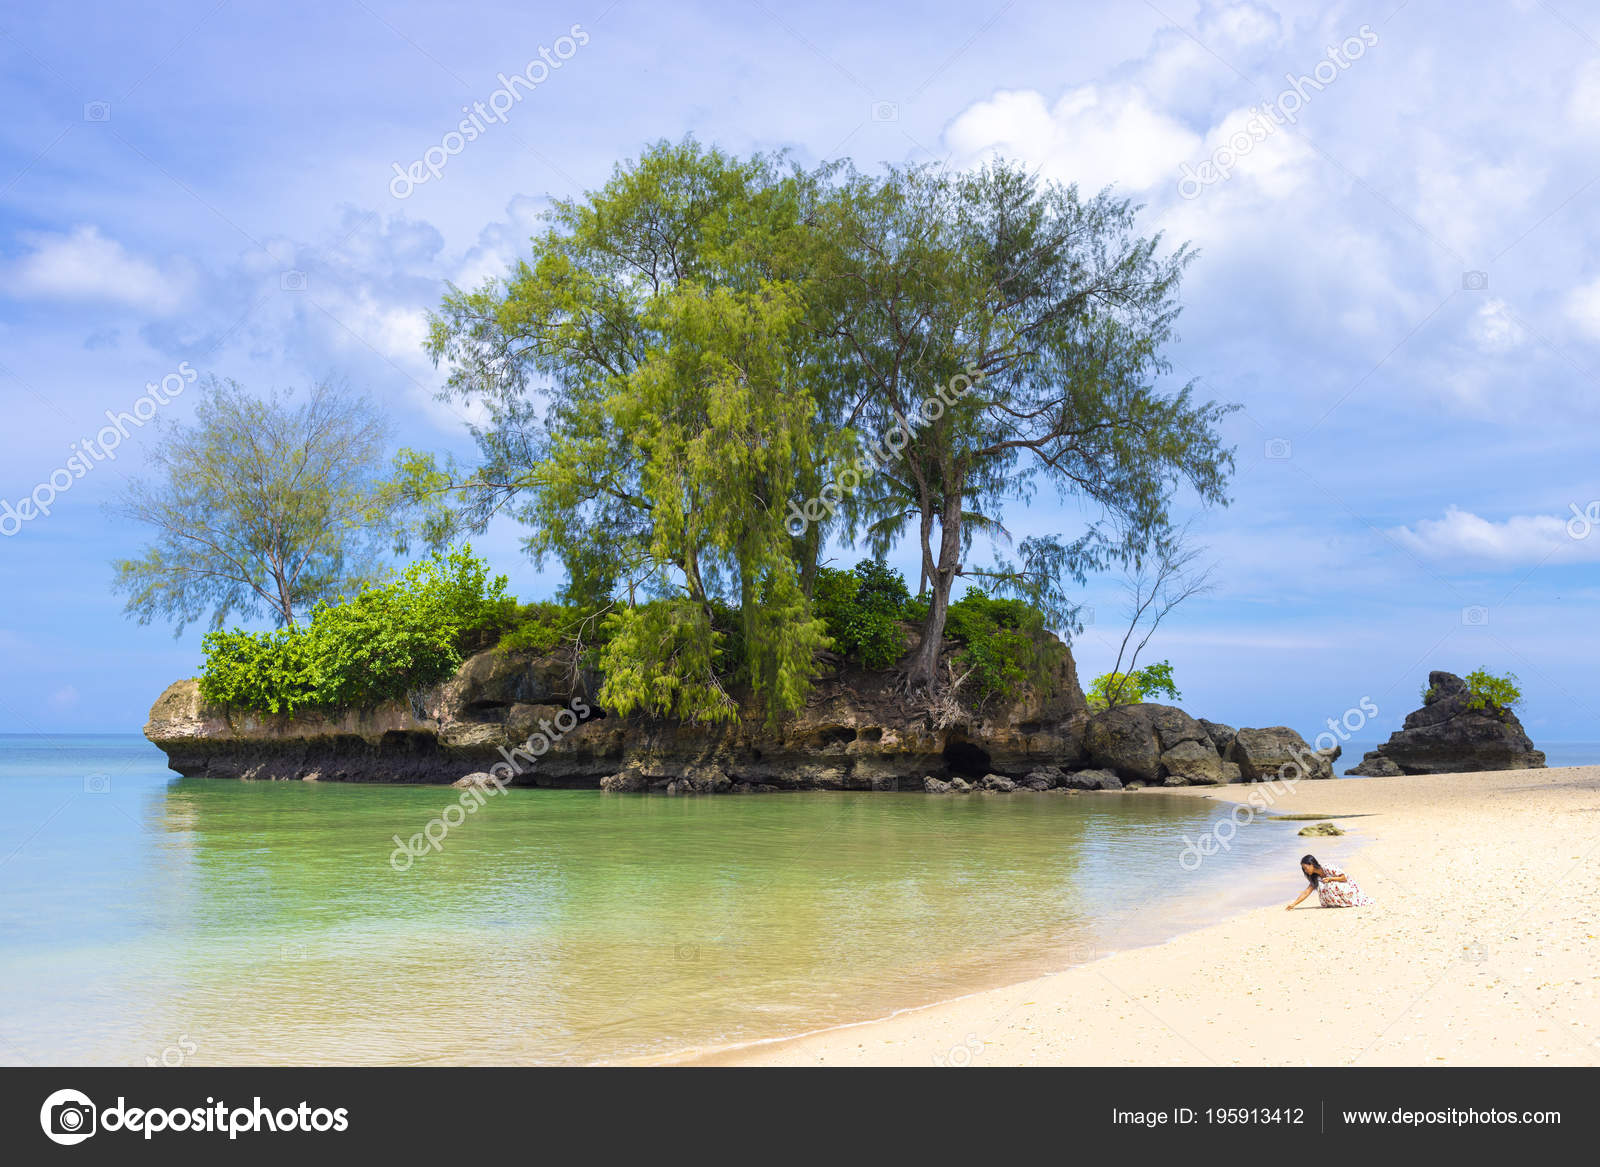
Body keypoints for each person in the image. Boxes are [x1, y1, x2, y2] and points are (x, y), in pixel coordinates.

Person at [1285, 853, 1373, 909]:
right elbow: (1306, 892)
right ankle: (1340, 903)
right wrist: (1294, 904)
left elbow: (1344, 878)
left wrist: (1331, 878)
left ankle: (1348, 902)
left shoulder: (1327, 867)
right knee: (1325, 887)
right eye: (1303, 869)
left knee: (1331, 884)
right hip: (1337, 898)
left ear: (1311, 864)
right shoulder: (1315, 877)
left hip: (1348, 889)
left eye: (1305, 868)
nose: (1305, 871)